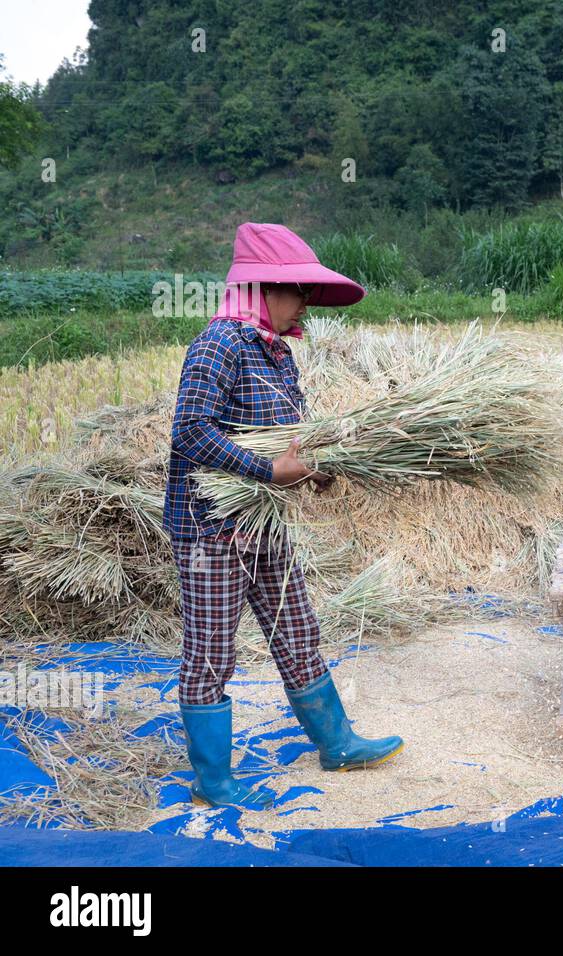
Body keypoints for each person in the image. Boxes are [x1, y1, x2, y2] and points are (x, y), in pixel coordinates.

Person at [165, 222, 404, 810]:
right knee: (212, 651)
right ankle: (213, 782)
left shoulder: (276, 353)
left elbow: (284, 438)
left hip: (264, 522)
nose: (304, 303)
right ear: (262, 289)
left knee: (297, 631)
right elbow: (190, 432)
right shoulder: (218, 344)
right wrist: (271, 474)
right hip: (211, 529)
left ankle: (337, 743)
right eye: (297, 291)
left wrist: (313, 470)